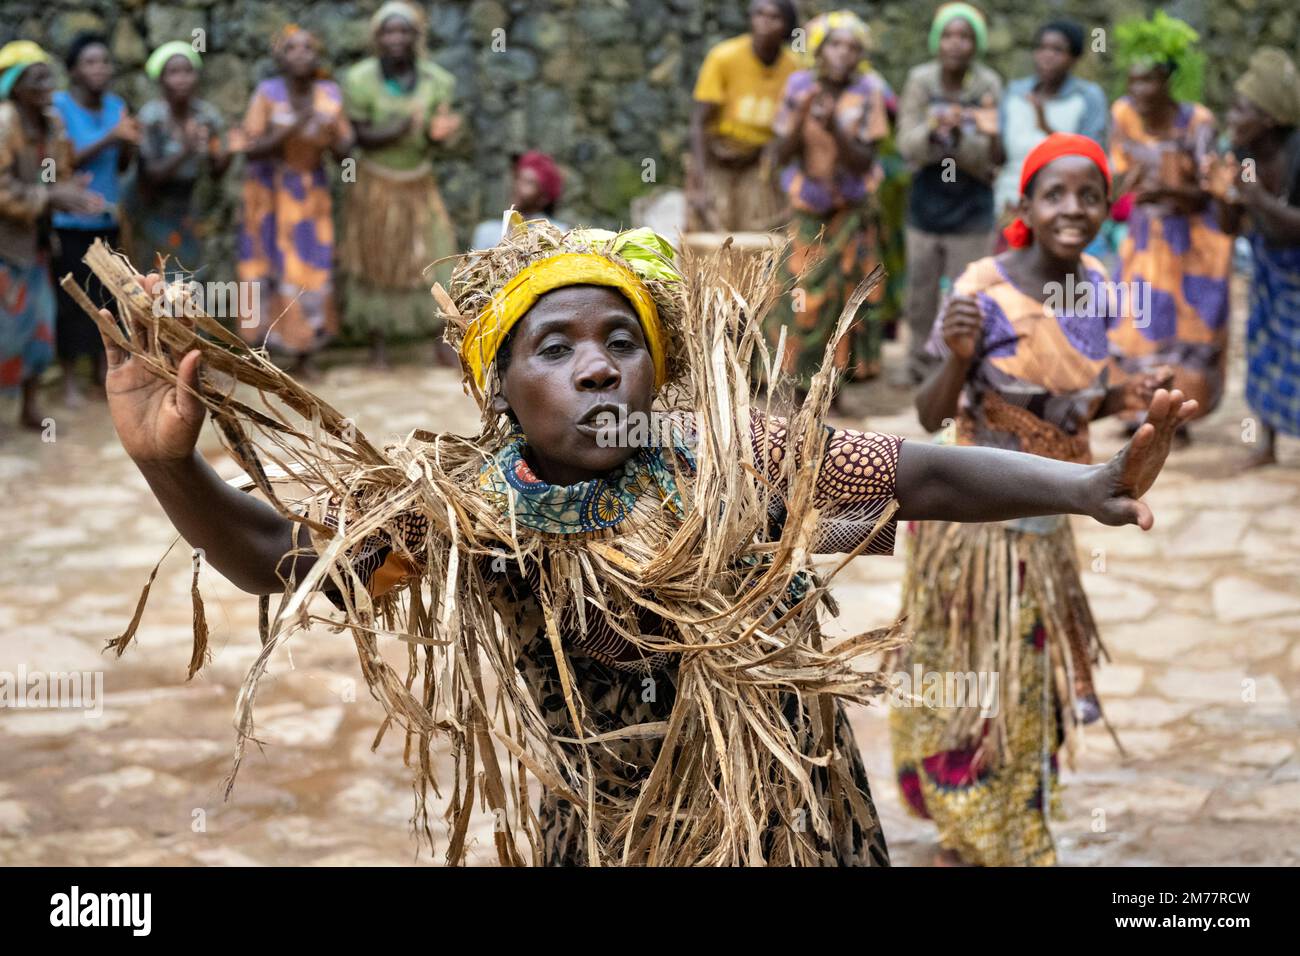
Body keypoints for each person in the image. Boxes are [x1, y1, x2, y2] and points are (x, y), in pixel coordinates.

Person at [88, 218, 1193, 866]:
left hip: (798, 812)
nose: (596, 362)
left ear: (661, 365)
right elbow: (300, 566)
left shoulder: (729, 446)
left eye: (621, 337)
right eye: (553, 346)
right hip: (615, 833)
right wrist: (171, 466)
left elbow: (921, 472)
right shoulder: (475, 508)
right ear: (500, 388)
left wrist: (1086, 481)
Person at [890, 134, 1177, 867]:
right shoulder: (980, 286)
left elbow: (1071, 404)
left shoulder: (1101, 286)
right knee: (970, 679)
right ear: (1024, 206)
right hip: (973, 528)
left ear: (1107, 207)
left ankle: (1008, 822)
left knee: (1025, 684)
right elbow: (929, 417)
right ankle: (971, 827)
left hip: (1050, 523)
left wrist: (1126, 399)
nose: (1073, 209)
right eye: (1055, 194)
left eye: (1089, 195)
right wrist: (955, 359)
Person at [1106, 12, 1230, 435]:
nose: (1139, 89)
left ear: (1169, 80)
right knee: (1137, 320)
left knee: (1186, 323)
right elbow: (1117, 181)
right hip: (1142, 236)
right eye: (1134, 79)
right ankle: (1136, 409)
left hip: (1189, 237)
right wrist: (1135, 189)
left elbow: (1209, 190)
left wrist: (1170, 194)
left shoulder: (1198, 122)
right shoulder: (1122, 114)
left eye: (1150, 79)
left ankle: (1179, 416)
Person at [766, 11, 892, 398]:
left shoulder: (868, 91)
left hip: (851, 210)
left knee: (846, 294)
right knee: (801, 289)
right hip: (809, 207)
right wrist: (804, 113)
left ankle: (834, 383)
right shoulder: (799, 85)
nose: (844, 53)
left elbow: (864, 161)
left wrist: (834, 124)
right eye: (836, 44)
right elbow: (781, 155)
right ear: (819, 50)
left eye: (853, 47)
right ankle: (795, 378)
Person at [340, 1, 461, 369]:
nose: (396, 38)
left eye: (403, 31)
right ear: (377, 38)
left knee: (434, 258)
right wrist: (401, 128)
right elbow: (358, 136)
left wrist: (440, 135)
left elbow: (439, 133)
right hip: (377, 184)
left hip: (418, 183)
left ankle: (440, 341)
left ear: (415, 37)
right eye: (388, 31)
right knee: (377, 259)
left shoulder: (437, 81)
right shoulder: (359, 80)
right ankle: (379, 345)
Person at [236, 25, 354, 380]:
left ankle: (305, 353)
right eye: (291, 48)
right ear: (280, 56)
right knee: (262, 268)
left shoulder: (329, 94)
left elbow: (345, 151)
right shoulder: (267, 93)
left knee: (310, 269)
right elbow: (250, 147)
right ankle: (262, 354)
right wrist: (294, 126)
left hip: (308, 195)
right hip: (266, 194)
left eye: (308, 47)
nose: (300, 54)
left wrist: (332, 134)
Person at [897, 2, 1003, 385]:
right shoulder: (920, 81)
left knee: (969, 294)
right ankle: (919, 368)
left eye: (965, 36)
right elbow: (907, 146)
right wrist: (934, 131)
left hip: (971, 208)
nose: (956, 44)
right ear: (936, 41)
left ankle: (966, 367)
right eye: (949, 35)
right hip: (926, 205)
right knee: (920, 295)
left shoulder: (987, 85)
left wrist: (956, 139)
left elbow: (990, 157)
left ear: (977, 45)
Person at [1203, 49, 1300, 468]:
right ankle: (1266, 443)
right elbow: (1231, 224)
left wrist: (1256, 196)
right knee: (1263, 345)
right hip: (1267, 264)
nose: (1232, 116)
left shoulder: (1298, 154)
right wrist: (1223, 195)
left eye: (1242, 109)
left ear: (1270, 118)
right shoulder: (1243, 158)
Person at [0, 41, 100, 430]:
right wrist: (51, 195)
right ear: (15, 85)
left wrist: (68, 188)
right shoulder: (5, 123)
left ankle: (29, 406)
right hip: (6, 245)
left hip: (36, 243)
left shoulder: (51, 123)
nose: (47, 83)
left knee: (39, 327)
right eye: (35, 76)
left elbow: (50, 173)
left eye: (47, 74)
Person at [51, 32, 137, 407]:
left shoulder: (116, 105)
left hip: (106, 219)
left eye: (104, 61)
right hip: (69, 222)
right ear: (72, 70)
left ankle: (105, 373)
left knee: (109, 299)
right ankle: (70, 381)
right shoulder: (59, 107)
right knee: (72, 301)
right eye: (90, 61)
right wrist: (111, 136)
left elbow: (121, 165)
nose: (100, 68)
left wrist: (128, 144)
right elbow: (61, 163)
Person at [687, 0, 799, 233]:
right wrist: (697, 179)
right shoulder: (724, 57)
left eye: (774, 17)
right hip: (718, 156)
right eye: (759, 14)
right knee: (712, 227)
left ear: (787, 27)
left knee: (758, 232)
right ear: (750, 19)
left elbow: (793, 130)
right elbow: (699, 121)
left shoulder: (795, 70)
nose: (765, 22)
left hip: (758, 161)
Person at [993, 20, 1108, 232]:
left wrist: (1046, 126)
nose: (1047, 56)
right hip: (1009, 204)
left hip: (1063, 210)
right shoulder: (1014, 93)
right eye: (1042, 48)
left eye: (1057, 50)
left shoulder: (1087, 97)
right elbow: (999, 158)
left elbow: (1091, 159)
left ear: (1074, 58)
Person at [130, 42, 230, 273]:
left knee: (190, 275)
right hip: (153, 206)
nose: (182, 79)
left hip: (189, 207)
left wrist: (228, 154)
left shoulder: (207, 116)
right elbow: (150, 175)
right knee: (157, 276)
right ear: (161, 79)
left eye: (188, 71)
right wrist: (187, 148)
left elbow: (216, 171)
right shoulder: (151, 117)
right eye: (173, 72)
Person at [470, 151, 567, 250]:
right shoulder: (487, 232)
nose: (518, 186)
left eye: (529, 183)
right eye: (518, 178)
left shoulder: (558, 233)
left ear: (544, 198)